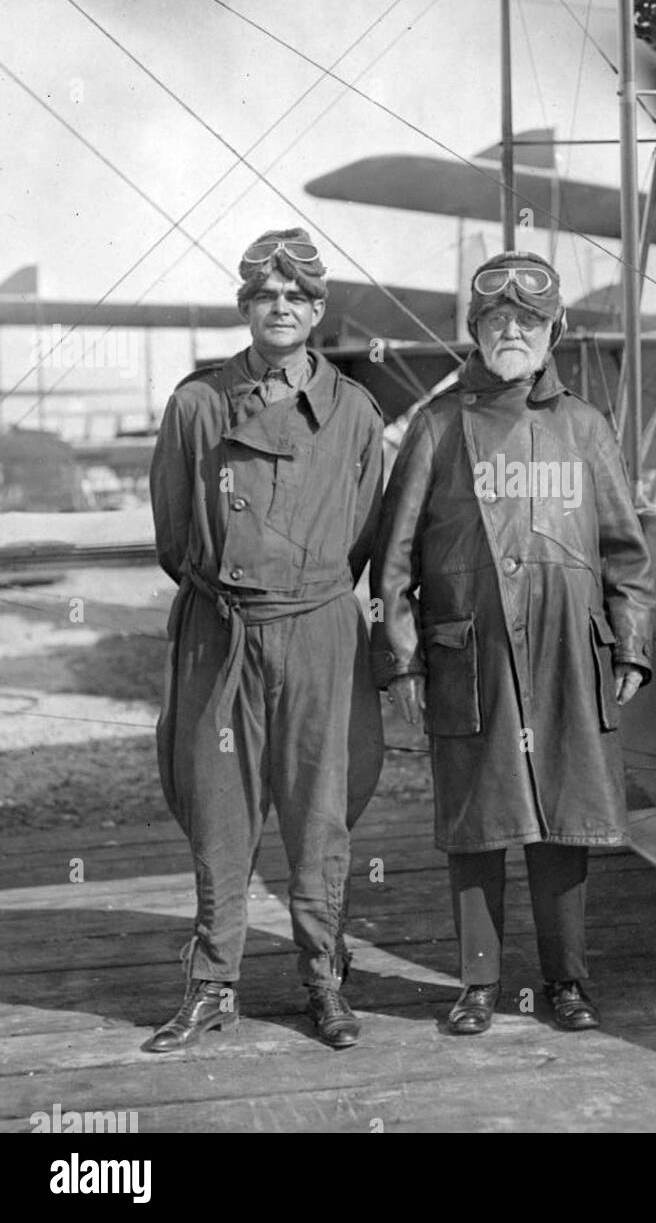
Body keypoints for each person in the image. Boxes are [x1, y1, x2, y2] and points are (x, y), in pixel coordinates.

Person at [371, 250, 655, 1034]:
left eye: (528, 320)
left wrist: (631, 640)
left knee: (565, 817)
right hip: (473, 657)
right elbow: (393, 564)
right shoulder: (436, 426)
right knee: (479, 819)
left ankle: (567, 981)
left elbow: (625, 550)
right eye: (495, 320)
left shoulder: (587, 428)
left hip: (569, 650)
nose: (511, 332)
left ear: (554, 328)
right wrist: (402, 659)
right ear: (474, 328)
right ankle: (479, 986)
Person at [146, 227, 385, 1052]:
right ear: (246, 308)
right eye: (265, 296)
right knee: (220, 816)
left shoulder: (354, 412)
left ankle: (324, 980)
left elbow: (361, 534)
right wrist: (236, 594)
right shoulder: (196, 406)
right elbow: (176, 537)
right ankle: (212, 985)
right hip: (224, 632)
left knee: (320, 818)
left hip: (318, 632)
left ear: (317, 311)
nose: (280, 307)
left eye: (297, 297)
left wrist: (303, 589)